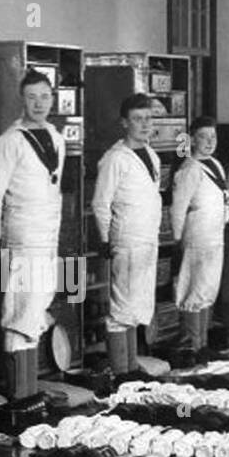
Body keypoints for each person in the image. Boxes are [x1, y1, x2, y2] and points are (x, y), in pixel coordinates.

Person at [0, 70, 66, 399]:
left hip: (48, 239)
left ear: (53, 99)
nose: (39, 103)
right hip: (21, 240)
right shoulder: (8, 143)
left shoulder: (56, 139)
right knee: (19, 317)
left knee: (37, 311)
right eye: (32, 97)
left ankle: (31, 392)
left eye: (45, 96)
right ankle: (21, 398)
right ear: (22, 99)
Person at [91, 93, 162, 375]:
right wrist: (106, 239)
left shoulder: (152, 155)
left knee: (137, 305)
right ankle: (121, 371)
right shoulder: (115, 158)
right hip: (127, 240)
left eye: (148, 118)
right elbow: (100, 202)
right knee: (121, 309)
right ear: (124, 123)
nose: (144, 125)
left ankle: (132, 366)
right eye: (137, 119)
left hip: (147, 239)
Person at [170, 116, 229, 363]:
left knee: (208, 288)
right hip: (196, 238)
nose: (209, 142)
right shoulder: (189, 169)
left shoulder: (215, 164)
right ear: (192, 139)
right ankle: (192, 345)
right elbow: (178, 208)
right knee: (194, 290)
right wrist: (176, 239)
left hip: (215, 236)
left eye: (212, 137)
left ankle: (203, 343)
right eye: (203, 137)